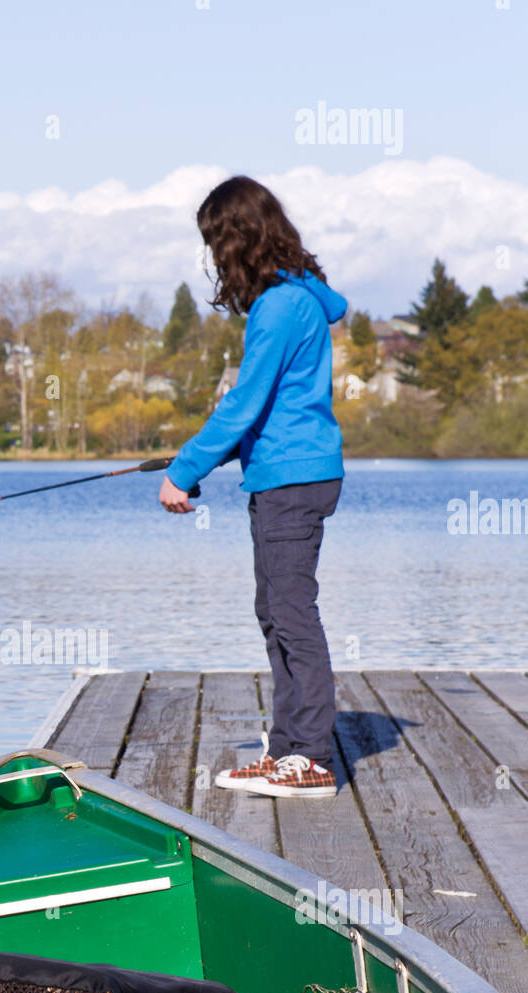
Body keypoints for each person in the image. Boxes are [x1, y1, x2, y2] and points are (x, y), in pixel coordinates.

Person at [160, 175, 346, 799]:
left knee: (293, 614)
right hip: (286, 474)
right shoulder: (297, 299)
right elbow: (264, 408)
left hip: (294, 480)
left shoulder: (278, 307)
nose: (215, 258)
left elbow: (245, 405)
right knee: (275, 611)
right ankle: (288, 747)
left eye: (217, 244)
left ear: (239, 240)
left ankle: (312, 758)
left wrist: (182, 471)